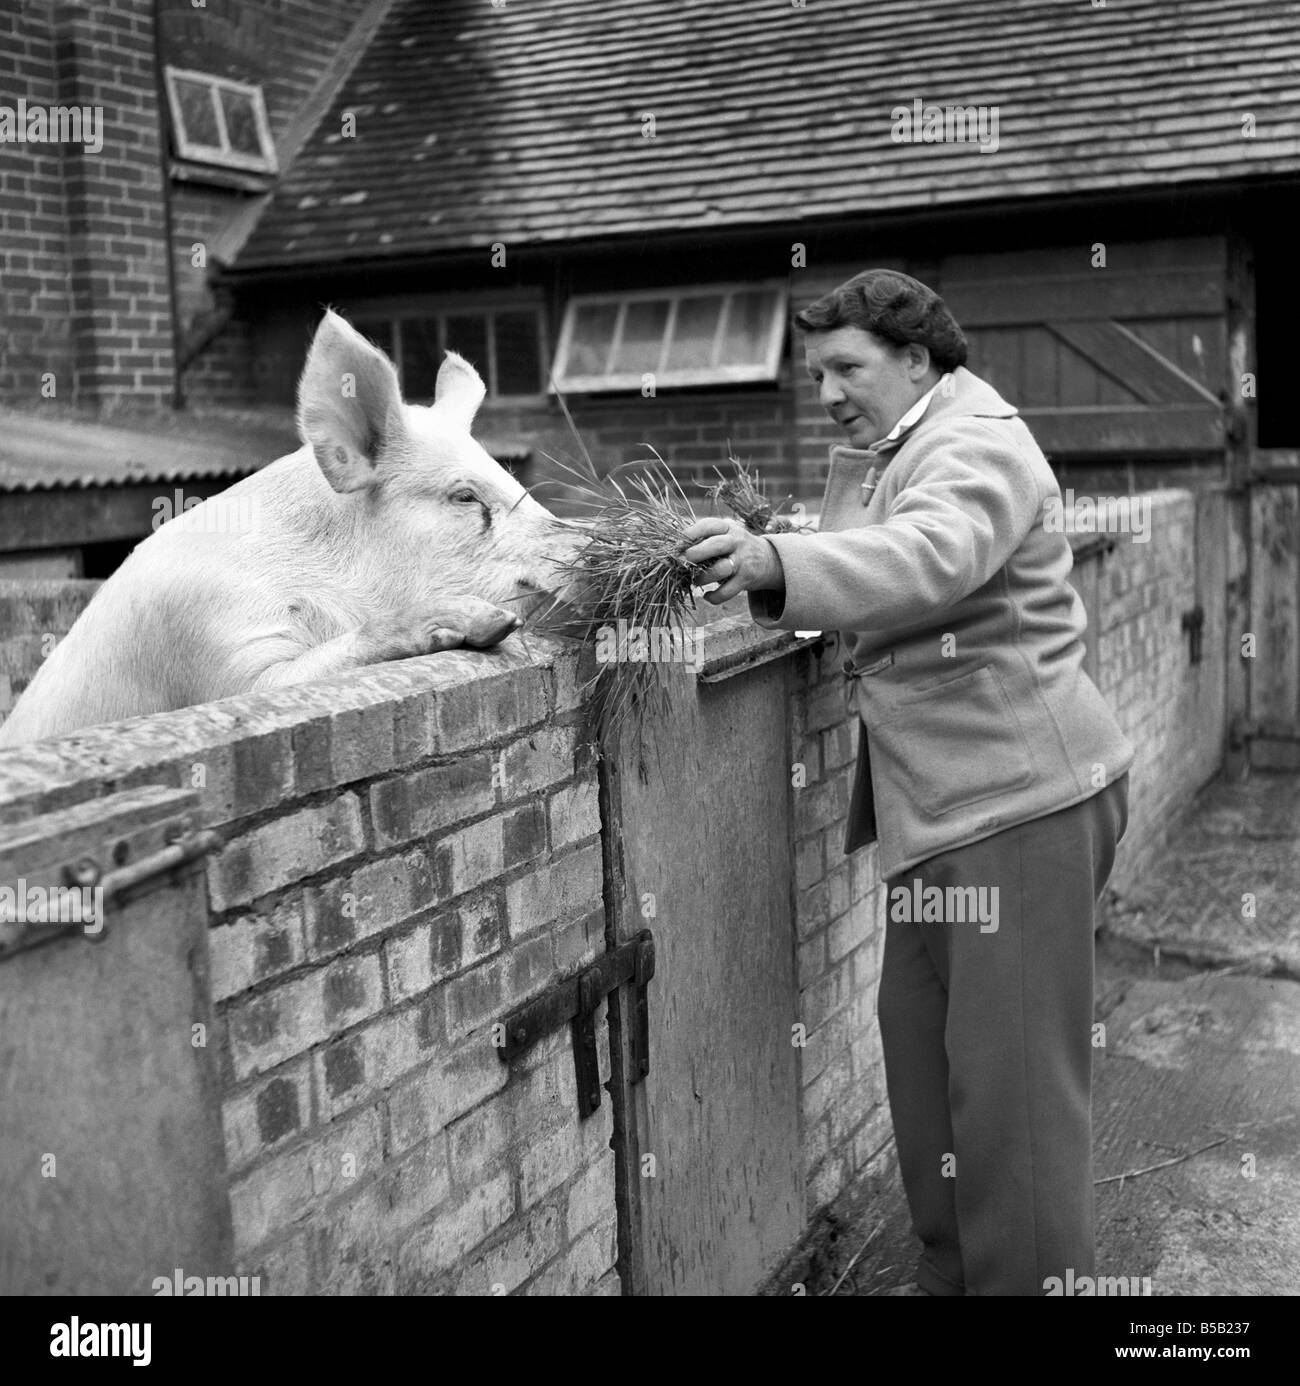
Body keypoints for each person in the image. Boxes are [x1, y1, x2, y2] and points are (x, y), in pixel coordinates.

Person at [678, 268, 1134, 1296]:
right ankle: (954, 1270)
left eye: (847, 367)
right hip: (946, 813)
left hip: (1021, 805)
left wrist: (773, 561)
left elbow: (928, 555)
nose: (828, 391)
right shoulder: (906, 444)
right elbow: (873, 544)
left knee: (1010, 1095)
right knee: (924, 1058)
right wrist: (774, 545)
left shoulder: (975, 441)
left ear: (918, 360)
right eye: (816, 373)